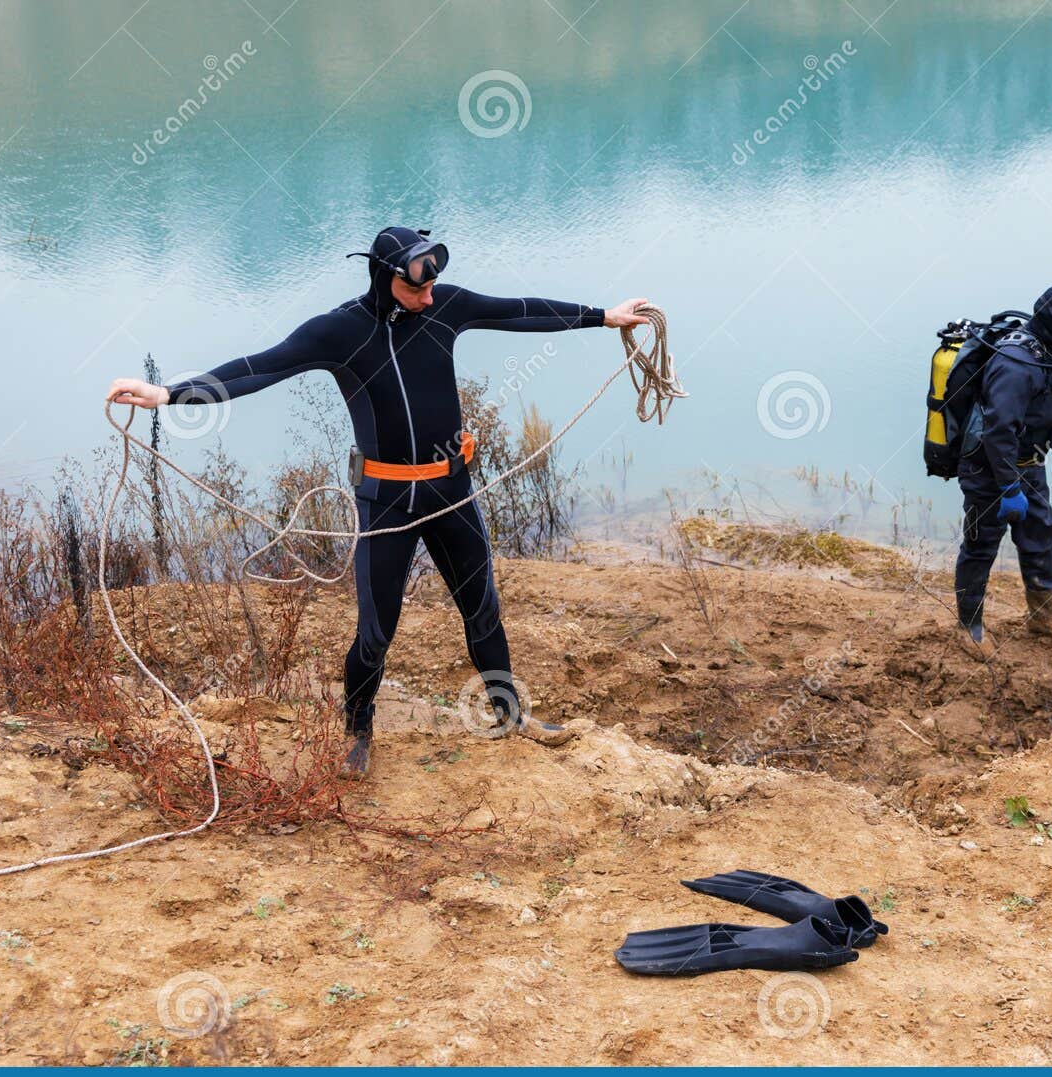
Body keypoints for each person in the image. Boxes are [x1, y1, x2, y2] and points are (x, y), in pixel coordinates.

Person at [106, 226, 650, 773]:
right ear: (386, 276)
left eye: (435, 285)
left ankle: (509, 714)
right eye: (418, 288)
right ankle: (358, 734)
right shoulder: (340, 333)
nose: (430, 296)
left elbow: (520, 311)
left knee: (482, 608)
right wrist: (171, 395)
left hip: (451, 491)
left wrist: (604, 316)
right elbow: (261, 366)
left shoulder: (445, 307)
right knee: (376, 631)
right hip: (386, 502)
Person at [953, 284, 1052, 660]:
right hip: (990, 468)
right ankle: (969, 628)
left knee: (1040, 535)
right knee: (981, 544)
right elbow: (999, 431)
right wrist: (1008, 489)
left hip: (1029, 463)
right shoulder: (1015, 365)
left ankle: (1042, 617)